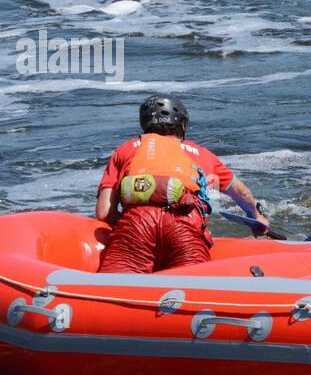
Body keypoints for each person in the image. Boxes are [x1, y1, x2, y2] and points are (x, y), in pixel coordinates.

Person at [96, 96, 267, 273]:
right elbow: (242, 193)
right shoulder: (201, 153)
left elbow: (103, 212)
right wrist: (257, 218)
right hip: (184, 222)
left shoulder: (125, 149)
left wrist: (137, 227)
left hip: (137, 223)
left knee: (114, 289)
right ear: (182, 125)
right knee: (195, 291)